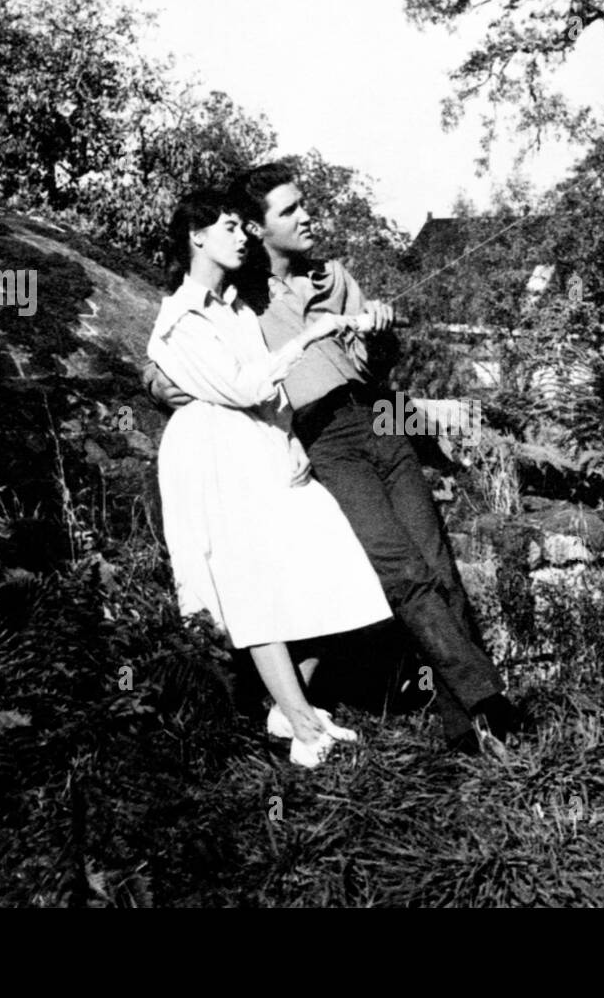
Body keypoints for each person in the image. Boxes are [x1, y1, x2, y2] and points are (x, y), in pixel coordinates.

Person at [145, 163, 521, 761]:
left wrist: (381, 332)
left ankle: (470, 729)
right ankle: (488, 701)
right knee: (399, 569)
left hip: (377, 416)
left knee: (437, 561)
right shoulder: (243, 298)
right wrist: (161, 383)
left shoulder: (335, 276)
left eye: (304, 205)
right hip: (323, 435)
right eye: (288, 211)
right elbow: (174, 359)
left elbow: (374, 365)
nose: (307, 217)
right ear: (259, 228)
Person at [147, 185, 392, 768]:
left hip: (259, 445)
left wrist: (285, 437)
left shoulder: (234, 306)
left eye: (242, 226)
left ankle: (290, 704)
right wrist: (311, 334)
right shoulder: (180, 316)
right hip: (213, 455)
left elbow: (267, 393)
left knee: (336, 561)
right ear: (196, 237)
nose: (240, 236)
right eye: (229, 227)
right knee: (248, 582)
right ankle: (304, 728)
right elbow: (245, 386)